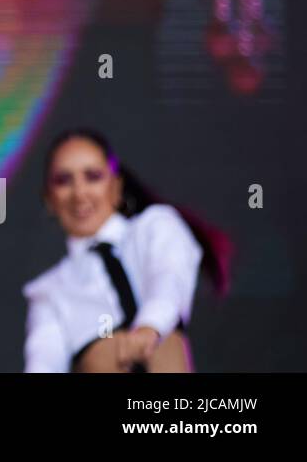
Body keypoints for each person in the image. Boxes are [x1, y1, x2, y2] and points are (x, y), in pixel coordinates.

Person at [22, 128, 231, 373]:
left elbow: (169, 279)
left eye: (93, 176)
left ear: (116, 186)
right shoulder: (48, 292)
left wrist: (149, 328)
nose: (79, 193)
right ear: (49, 199)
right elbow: (43, 363)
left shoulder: (156, 226)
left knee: (163, 344)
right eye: (64, 180)